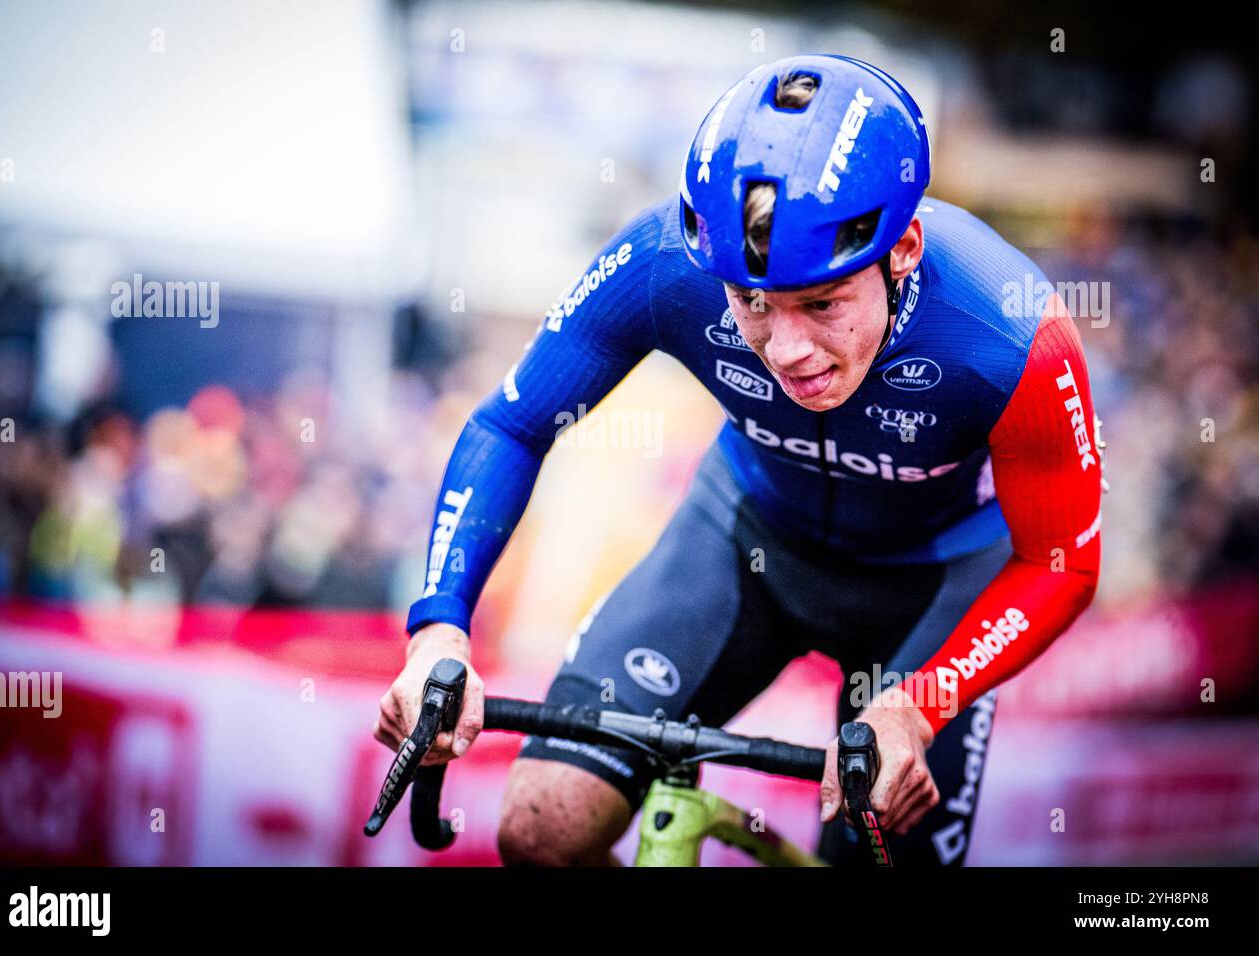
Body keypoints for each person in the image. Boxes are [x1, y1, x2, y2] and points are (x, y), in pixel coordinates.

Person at [374, 54, 1104, 866]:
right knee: (542, 829)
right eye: (751, 302)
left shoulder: (1009, 334)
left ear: (903, 252)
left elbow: (1062, 564)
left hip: (935, 592)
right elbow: (511, 426)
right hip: (745, 542)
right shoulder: (665, 263)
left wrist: (918, 708)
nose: (787, 350)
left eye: (821, 303)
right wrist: (439, 632)